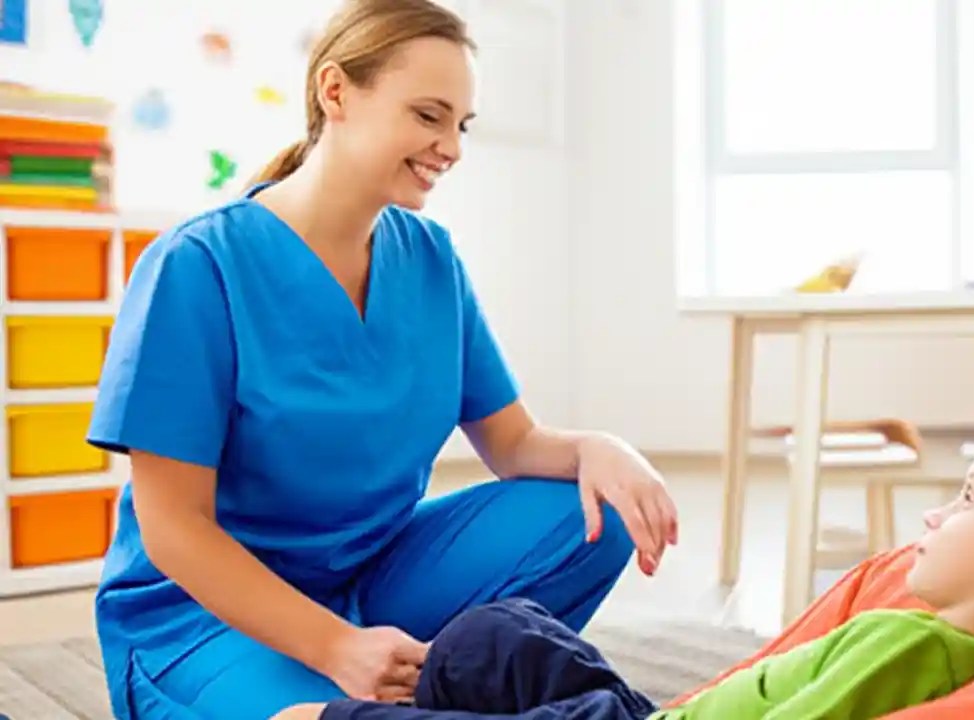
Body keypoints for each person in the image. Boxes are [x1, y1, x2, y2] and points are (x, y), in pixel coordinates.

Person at [85, 2, 679, 718]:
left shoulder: (431, 260)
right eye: (429, 116)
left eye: (461, 124)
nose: (451, 147)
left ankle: (428, 686)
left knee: (592, 514)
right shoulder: (198, 265)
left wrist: (599, 449)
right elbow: (174, 530)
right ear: (335, 92)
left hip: (373, 579)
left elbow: (514, 443)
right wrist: (334, 646)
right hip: (204, 618)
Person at [272, 414, 974, 720]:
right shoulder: (923, 632)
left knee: (508, 668)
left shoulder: (915, 648)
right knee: (499, 630)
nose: (935, 512)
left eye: (966, 499)